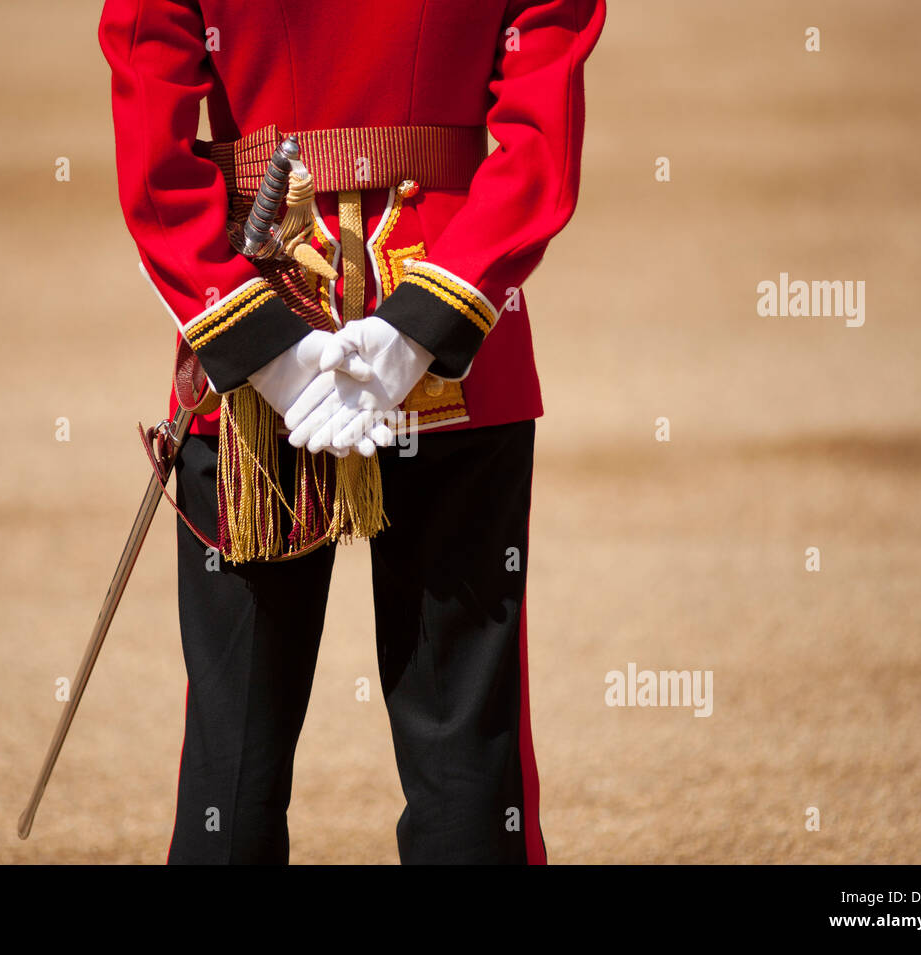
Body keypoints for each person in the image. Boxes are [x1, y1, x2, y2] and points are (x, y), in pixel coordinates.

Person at [99, 0, 606, 864]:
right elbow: (538, 129)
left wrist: (262, 349)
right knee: (465, 754)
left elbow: (155, 142)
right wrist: (420, 329)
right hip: (454, 337)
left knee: (235, 752)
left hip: (256, 306)